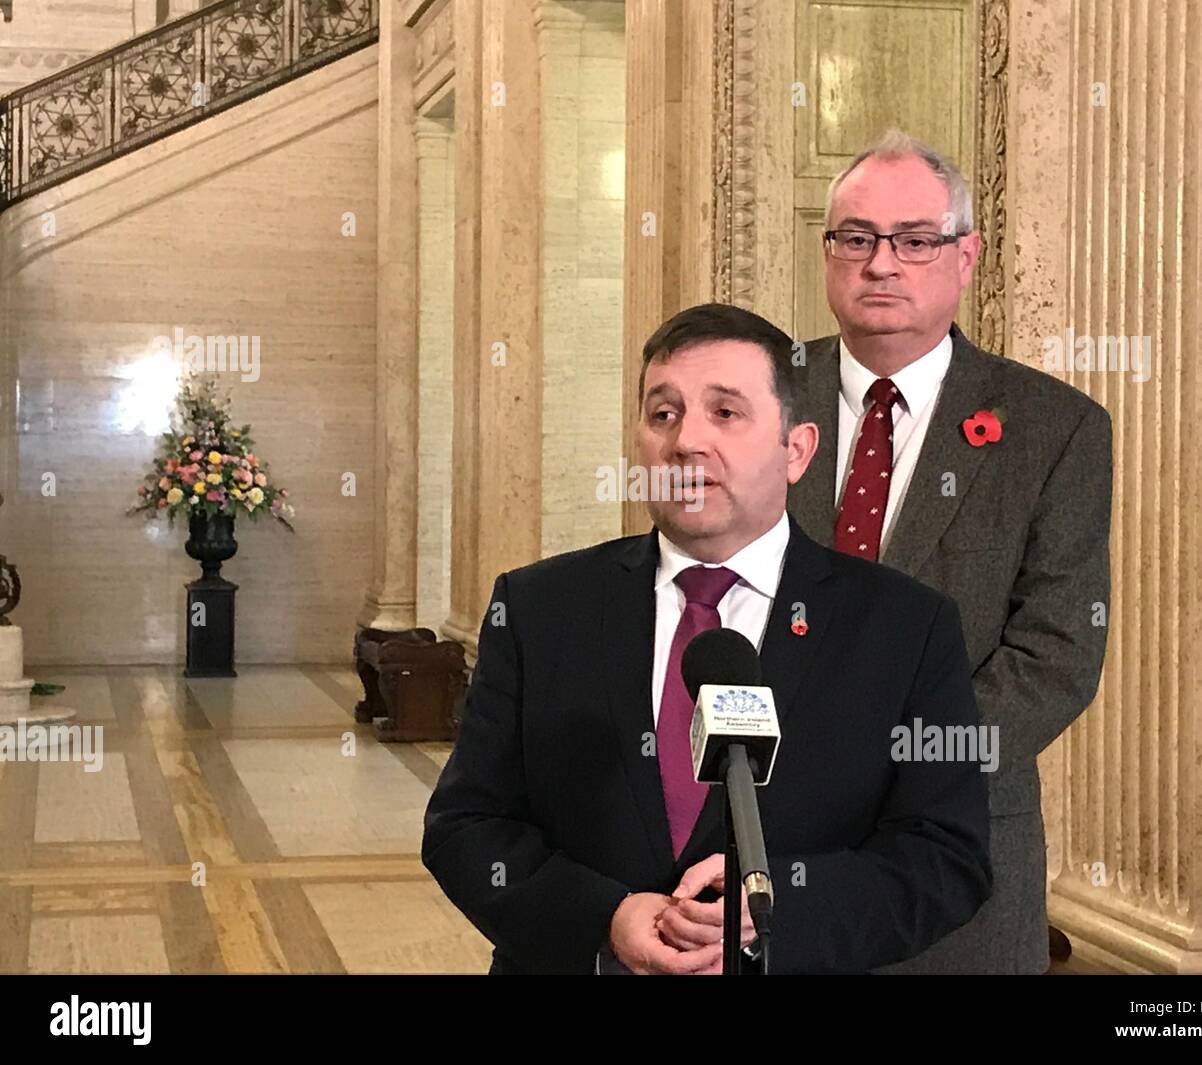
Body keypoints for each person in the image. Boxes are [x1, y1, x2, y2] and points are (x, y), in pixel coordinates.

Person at [423, 302, 992, 974]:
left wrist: (781, 907)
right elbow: (465, 826)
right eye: (663, 413)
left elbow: (942, 856)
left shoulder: (903, 626)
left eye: (725, 412)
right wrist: (603, 916)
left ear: (797, 448)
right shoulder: (540, 607)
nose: (687, 440)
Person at [788, 129, 1112, 973]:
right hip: (763, 840)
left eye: (915, 240)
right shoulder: (756, 395)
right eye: (855, 238)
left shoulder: (1055, 428)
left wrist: (896, 755)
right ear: (829, 253)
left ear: (965, 256)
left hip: (957, 852)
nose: (881, 264)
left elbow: (1057, 655)